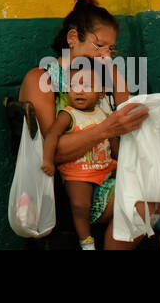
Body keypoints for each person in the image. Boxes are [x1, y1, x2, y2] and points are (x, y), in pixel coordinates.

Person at [18, 0, 160, 249]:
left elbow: (135, 126)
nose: (105, 56)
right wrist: (106, 129)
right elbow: (53, 152)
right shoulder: (43, 80)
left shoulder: (107, 76)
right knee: (140, 209)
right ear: (73, 38)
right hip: (74, 191)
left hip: (114, 178)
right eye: (99, 46)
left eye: (110, 50)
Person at [41, 77, 118, 250]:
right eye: (74, 86)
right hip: (79, 173)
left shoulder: (101, 113)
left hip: (105, 167)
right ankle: (86, 240)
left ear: (101, 93)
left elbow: (112, 139)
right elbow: (52, 136)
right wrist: (47, 159)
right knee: (80, 204)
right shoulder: (68, 114)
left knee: (136, 183)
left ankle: (149, 216)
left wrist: (121, 160)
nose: (79, 90)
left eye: (88, 86)